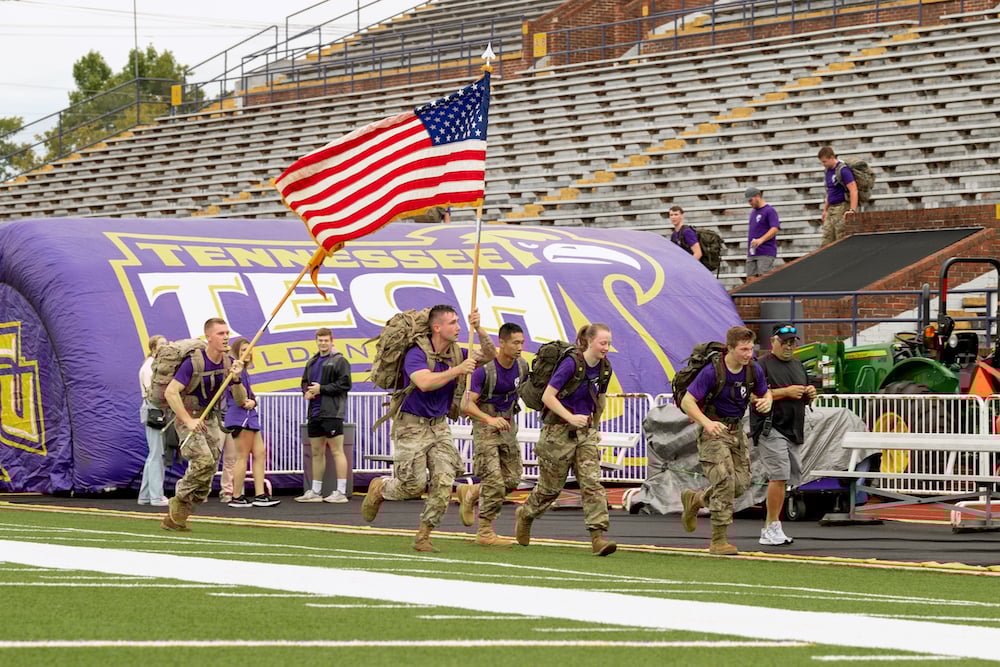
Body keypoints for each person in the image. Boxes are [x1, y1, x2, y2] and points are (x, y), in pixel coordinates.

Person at [362, 305, 496, 552]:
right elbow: (423, 382)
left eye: (458, 322)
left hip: (439, 426)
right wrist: (458, 370)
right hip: (411, 425)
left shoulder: (457, 353)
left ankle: (424, 535)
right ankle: (381, 488)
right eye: (453, 323)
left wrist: (478, 327)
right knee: (412, 485)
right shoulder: (416, 353)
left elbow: (490, 354)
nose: (458, 327)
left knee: (444, 482)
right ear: (437, 327)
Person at [514, 323, 617, 557]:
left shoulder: (604, 368)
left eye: (609, 343)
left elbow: (600, 399)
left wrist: (596, 426)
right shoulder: (571, 363)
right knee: (550, 488)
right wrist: (570, 417)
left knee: (592, 484)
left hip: (585, 434)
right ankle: (526, 514)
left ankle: (598, 537)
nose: (606, 348)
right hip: (557, 432)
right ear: (589, 341)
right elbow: (548, 396)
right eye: (603, 343)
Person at [679, 326, 772, 555]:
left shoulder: (754, 370)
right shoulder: (713, 372)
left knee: (740, 484)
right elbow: (687, 401)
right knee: (724, 482)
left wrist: (766, 401)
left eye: (750, 349)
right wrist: (706, 423)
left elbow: (765, 391)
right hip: (714, 431)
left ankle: (696, 499)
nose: (748, 354)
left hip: (737, 431)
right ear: (730, 348)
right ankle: (718, 540)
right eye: (743, 349)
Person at [161, 318, 241, 532]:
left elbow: (240, 399)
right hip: (187, 416)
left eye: (227, 333)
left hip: (211, 418)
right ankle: (179, 498)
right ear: (209, 337)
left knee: (211, 467)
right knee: (203, 460)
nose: (226, 338)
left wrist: (236, 379)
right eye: (221, 334)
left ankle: (178, 516)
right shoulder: (194, 362)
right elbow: (171, 392)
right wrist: (188, 420)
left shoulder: (228, 362)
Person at [457, 322, 528, 547]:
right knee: (495, 481)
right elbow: (466, 404)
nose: (519, 347)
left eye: (522, 343)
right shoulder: (484, 372)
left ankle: (471, 492)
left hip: (508, 425)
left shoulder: (522, 366)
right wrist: (489, 419)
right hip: (486, 426)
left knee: (513, 478)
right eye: (515, 343)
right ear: (502, 343)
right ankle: (485, 531)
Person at [751, 323, 815, 546]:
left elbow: (803, 396)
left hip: (793, 427)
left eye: (792, 342)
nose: (789, 346)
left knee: (787, 476)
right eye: (784, 342)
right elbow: (752, 395)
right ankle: (770, 526)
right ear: (773, 342)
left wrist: (809, 394)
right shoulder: (761, 365)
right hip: (770, 426)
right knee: (778, 475)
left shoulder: (798, 365)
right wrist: (785, 393)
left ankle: (773, 525)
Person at [296, 328, 353, 503]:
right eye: (320, 340)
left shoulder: (340, 360)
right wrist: (307, 392)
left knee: (337, 451)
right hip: (314, 412)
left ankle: (341, 492)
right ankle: (315, 491)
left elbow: (345, 384)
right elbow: (304, 382)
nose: (323, 343)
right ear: (316, 341)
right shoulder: (311, 361)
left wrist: (322, 389)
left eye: (326, 340)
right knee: (316, 452)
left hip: (332, 413)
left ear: (331, 341)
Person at [225, 337, 280, 508]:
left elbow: (250, 394)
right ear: (236, 352)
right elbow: (237, 393)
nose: (246, 354)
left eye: (249, 350)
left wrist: (253, 402)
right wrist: (245, 401)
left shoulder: (245, 370)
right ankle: (236, 495)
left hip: (250, 416)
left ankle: (260, 494)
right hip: (240, 417)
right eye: (243, 350)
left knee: (260, 453)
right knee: (242, 456)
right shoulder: (234, 369)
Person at [138, 334, 168, 506]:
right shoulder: (150, 367)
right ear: (154, 348)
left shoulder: (153, 365)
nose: (165, 346)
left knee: (154, 454)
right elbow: (152, 393)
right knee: (156, 454)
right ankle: (156, 496)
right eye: (161, 344)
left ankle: (145, 495)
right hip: (153, 409)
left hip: (153, 409)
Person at [818, 145, 858, 246]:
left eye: (824, 161)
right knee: (826, 239)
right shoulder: (827, 171)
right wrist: (825, 209)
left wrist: (852, 210)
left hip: (841, 206)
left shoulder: (843, 170)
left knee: (840, 238)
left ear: (832, 157)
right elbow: (829, 191)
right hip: (831, 208)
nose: (823, 164)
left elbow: (853, 189)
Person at [744, 186, 780, 281]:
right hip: (752, 251)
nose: (750, 203)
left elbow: (775, 228)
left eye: (751, 200)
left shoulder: (769, 210)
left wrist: (761, 239)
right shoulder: (753, 212)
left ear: (757, 196)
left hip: (765, 251)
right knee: (750, 279)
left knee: (763, 279)